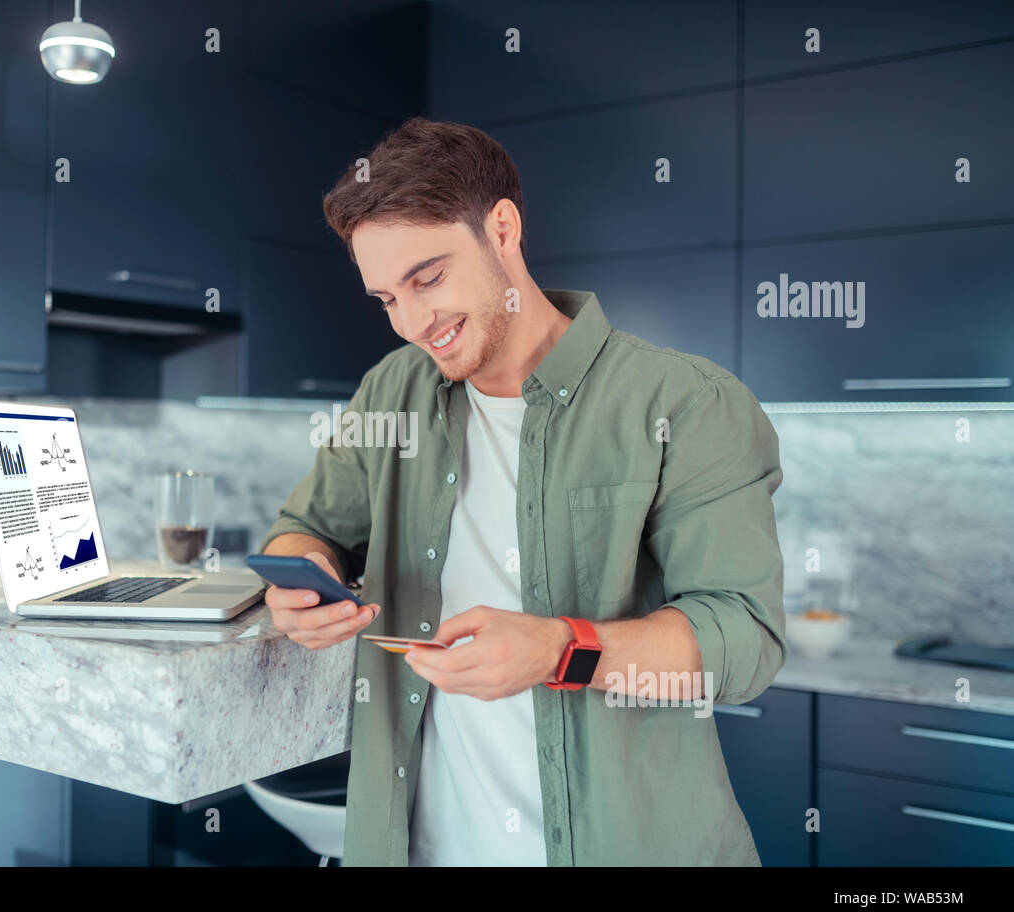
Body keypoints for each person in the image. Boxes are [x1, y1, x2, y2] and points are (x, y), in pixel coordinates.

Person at [258, 117, 786, 866]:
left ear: (502, 229)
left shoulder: (684, 403)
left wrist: (556, 650)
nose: (412, 323)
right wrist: (302, 575)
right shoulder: (390, 393)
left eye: (428, 278)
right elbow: (307, 525)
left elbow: (745, 638)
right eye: (385, 300)